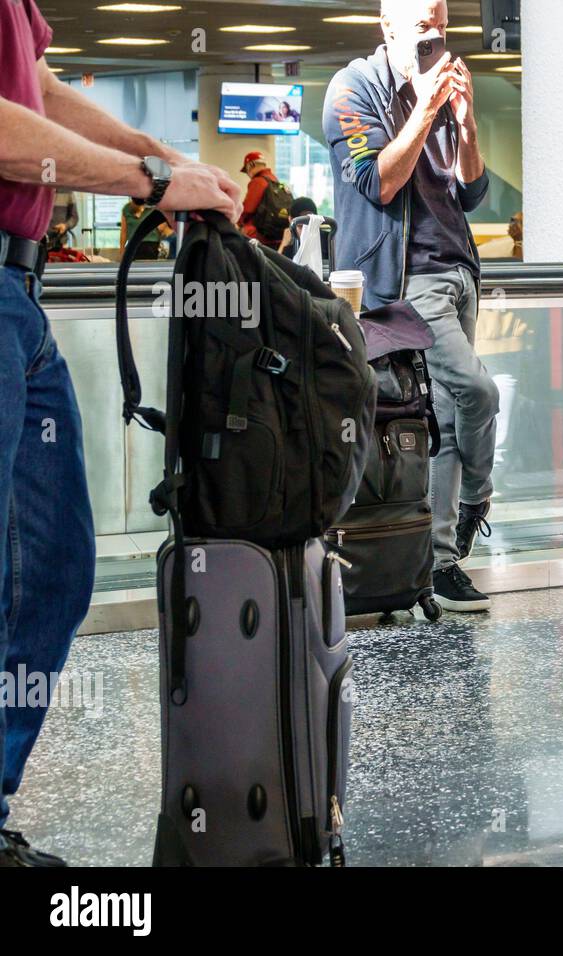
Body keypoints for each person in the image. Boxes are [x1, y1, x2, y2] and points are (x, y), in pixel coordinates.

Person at [0, 0, 240, 866]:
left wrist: (167, 162)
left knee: (51, 568)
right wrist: (148, 181)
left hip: (18, 299)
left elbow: (38, 89)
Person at [325, 0, 499, 613]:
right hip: (406, 281)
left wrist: (467, 124)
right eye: (424, 27)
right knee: (476, 392)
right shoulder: (353, 89)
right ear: (388, 26)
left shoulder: (443, 86)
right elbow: (378, 182)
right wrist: (425, 107)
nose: (436, 39)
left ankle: (441, 563)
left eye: (442, 27)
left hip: (460, 272)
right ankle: (478, 498)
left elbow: (472, 192)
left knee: (446, 421)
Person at [237, 150, 289, 247]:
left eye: (246, 170)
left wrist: (237, 222)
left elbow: (248, 209)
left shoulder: (258, 182)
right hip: (277, 236)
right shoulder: (275, 181)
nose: (248, 174)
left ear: (250, 165)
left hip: (258, 236)